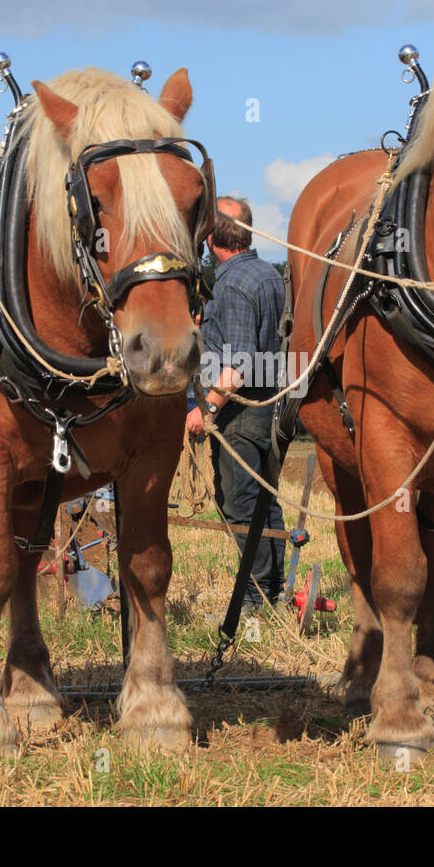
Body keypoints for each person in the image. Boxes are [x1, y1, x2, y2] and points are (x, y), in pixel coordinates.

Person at [185, 196, 287, 610]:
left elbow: (239, 363)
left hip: (239, 413)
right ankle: (275, 589)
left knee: (240, 506)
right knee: (266, 502)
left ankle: (255, 598)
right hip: (271, 405)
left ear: (210, 238)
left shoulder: (233, 285)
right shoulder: (268, 275)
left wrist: (205, 408)